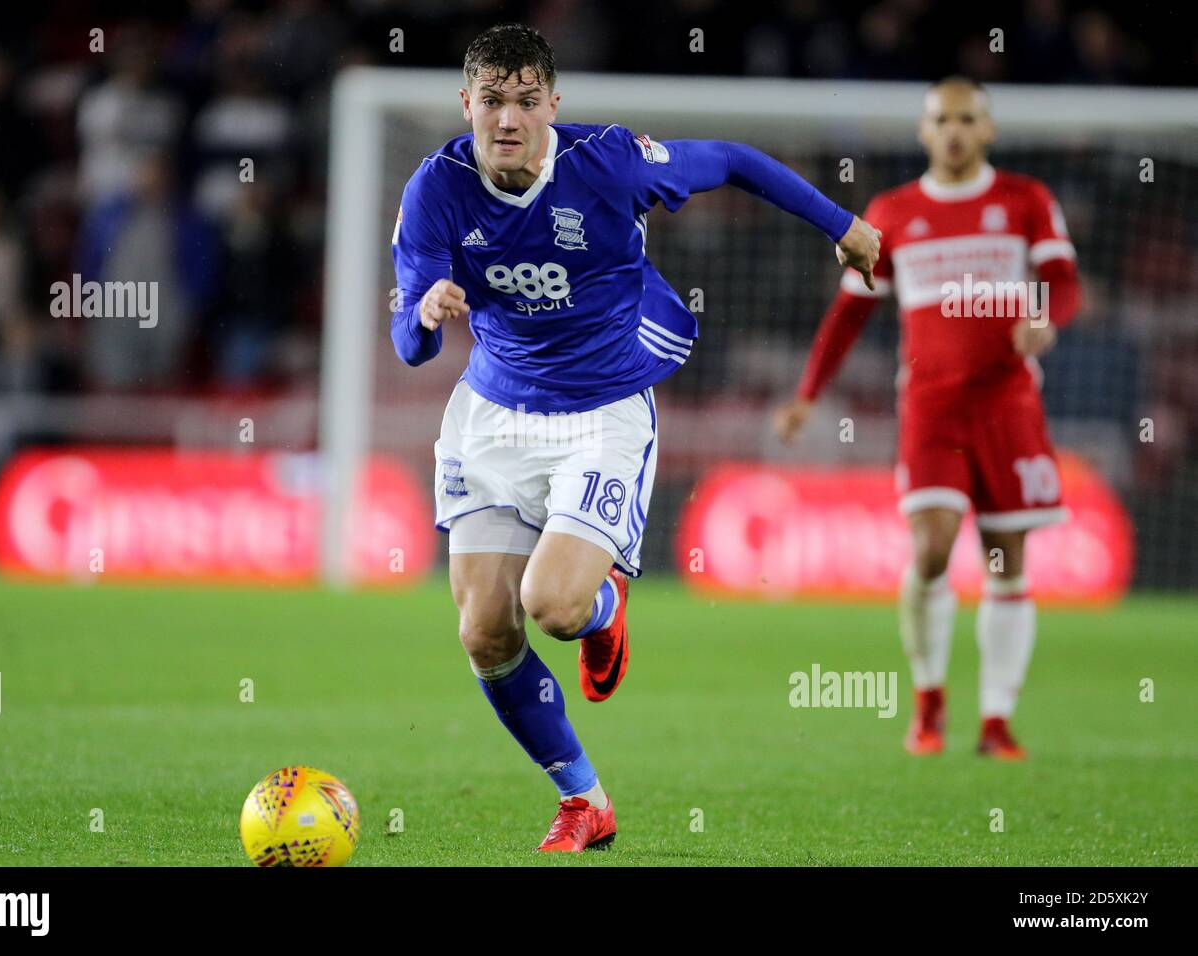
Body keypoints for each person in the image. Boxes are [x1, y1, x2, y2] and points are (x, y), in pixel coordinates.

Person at [390, 23, 880, 851]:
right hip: (494, 416)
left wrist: (840, 224)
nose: (508, 119)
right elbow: (409, 343)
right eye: (492, 101)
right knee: (484, 630)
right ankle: (585, 800)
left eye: (526, 101)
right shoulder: (434, 190)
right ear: (466, 103)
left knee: (553, 606)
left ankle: (603, 605)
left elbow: (729, 158)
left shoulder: (606, 161)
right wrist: (428, 314)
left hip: (602, 411)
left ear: (553, 104)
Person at [774, 76, 1082, 760]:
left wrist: (1045, 319)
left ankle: (997, 720)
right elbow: (851, 309)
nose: (954, 131)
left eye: (968, 119)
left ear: (988, 129)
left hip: (1008, 405)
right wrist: (808, 393)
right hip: (932, 408)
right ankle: (929, 703)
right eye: (942, 119)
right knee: (933, 549)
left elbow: (1062, 283)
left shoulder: (1024, 200)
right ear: (923, 131)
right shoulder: (896, 211)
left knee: (1007, 562)